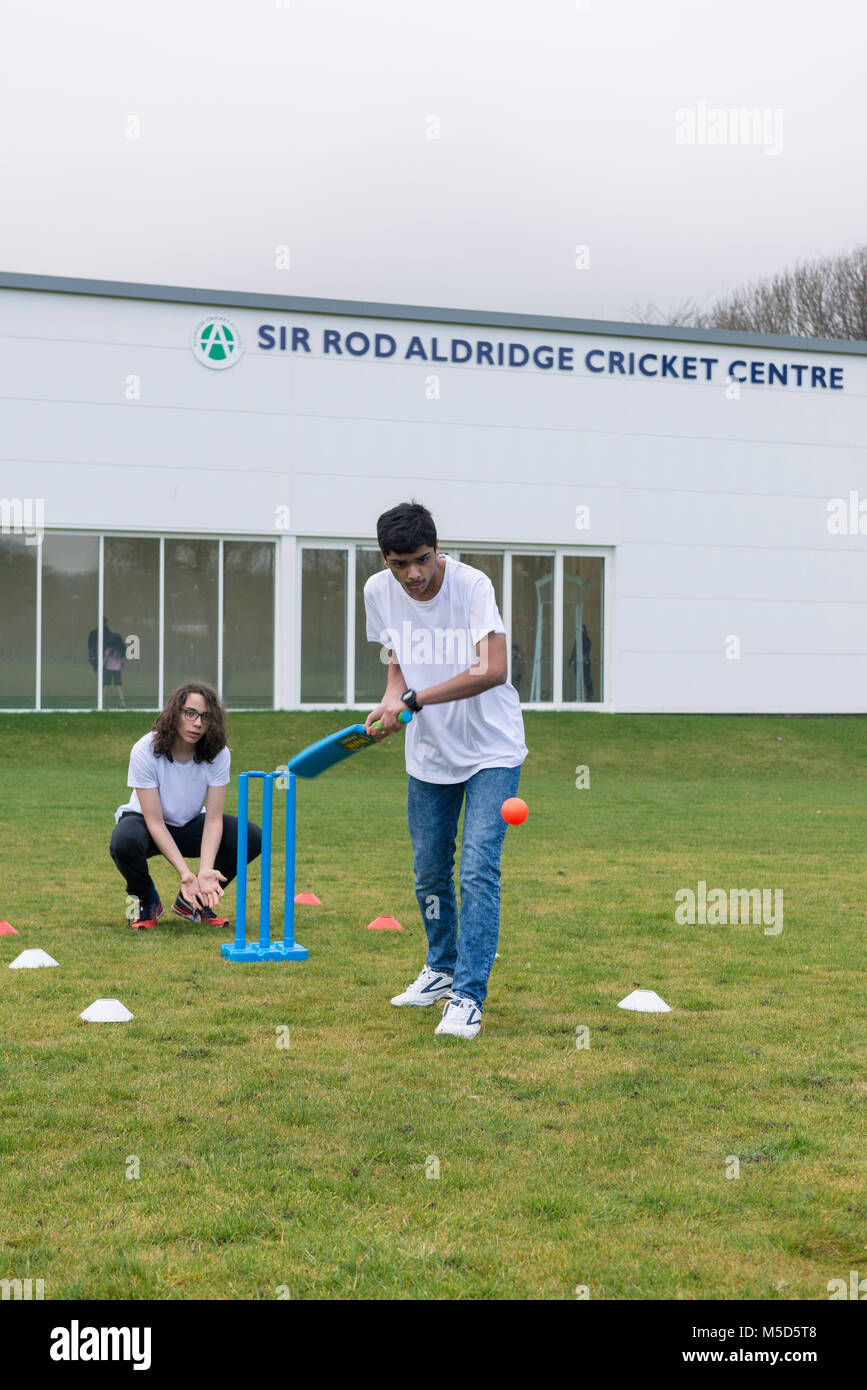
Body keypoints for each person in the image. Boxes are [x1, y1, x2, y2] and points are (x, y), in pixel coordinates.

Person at [363, 502, 528, 1039]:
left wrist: (415, 698)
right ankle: (440, 968)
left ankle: (469, 996)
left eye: (421, 559)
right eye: (399, 563)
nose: (412, 574)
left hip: (491, 750)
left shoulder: (472, 586)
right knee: (430, 870)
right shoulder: (378, 591)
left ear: (438, 549)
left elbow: (493, 669)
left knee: (478, 866)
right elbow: (397, 662)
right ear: (385, 559)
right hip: (431, 752)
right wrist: (391, 704)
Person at [109, 681, 261, 930]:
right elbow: (155, 821)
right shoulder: (144, 750)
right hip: (147, 824)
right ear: (174, 713)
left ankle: (195, 903)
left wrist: (203, 873)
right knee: (123, 842)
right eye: (190, 713)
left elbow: (213, 819)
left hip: (189, 823)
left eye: (205, 716)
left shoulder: (219, 754)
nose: (198, 723)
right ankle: (146, 901)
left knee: (251, 836)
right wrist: (185, 874)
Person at [88, 617, 127, 708]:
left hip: (109, 669)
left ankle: (102, 701)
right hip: (117, 669)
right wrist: (121, 665)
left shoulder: (108, 650)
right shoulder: (119, 651)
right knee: (118, 686)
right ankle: (122, 701)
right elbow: (122, 659)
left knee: (106, 686)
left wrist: (100, 667)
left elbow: (105, 659)